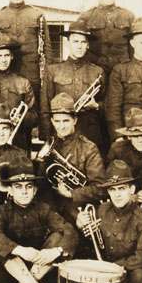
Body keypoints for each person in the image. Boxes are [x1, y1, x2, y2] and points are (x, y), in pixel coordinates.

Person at [0, 155, 78, 283]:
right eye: (18, 187)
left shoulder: (43, 209)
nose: (24, 192)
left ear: (35, 190)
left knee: (59, 237)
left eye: (28, 186)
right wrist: (19, 250)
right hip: (9, 269)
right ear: (11, 190)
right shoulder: (3, 211)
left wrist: (55, 251)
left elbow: (68, 229)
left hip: (37, 266)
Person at [76, 160, 142, 283]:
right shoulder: (101, 209)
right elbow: (92, 242)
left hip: (126, 270)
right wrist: (81, 225)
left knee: (140, 278)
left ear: (131, 189)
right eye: (112, 190)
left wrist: (112, 268)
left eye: (122, 189)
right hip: (104, 265)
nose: (117, 194)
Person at [36, 93, 105, 224]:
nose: (61, 126)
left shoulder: (88, 148)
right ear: (51, 121)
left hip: (77, 210)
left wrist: (71, 194)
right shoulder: (49, 145)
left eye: (66, 121)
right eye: (57, 121)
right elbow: (42, 184)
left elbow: (100, 189)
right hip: (51, 208)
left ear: (75, 120)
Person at [39, 20, 107, 153]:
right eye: (75, 41)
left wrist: (96, 106)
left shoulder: (97, 72)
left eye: (83, 42)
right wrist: (47, 137)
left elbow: (108, 105)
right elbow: (44, 105)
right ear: (68, 43)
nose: (79, 46)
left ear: (88, 45)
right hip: (61, 132)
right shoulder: (53, 70)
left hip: (90, 133)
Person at [0, 0, 53, 100]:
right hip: (6, 70)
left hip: (32, 72)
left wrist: (47, 76)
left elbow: (47, 48)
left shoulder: (37, 15)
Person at [0, 33, 37, 150]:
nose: (3, 60)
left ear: (12, 57)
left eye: (6, 55)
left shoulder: (23, 83)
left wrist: (21, 118)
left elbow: (34, 116)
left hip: (17, 141)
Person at [77, 0, 136, 76]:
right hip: (95, 71)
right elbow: (80, 47)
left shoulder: (128, 16)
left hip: (122, 72)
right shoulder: (86, 17)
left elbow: (133, 49)